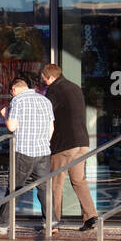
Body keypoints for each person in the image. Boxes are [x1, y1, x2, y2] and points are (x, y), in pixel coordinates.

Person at [0, 76, 54, 235]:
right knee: (44, 187)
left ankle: (2, 223)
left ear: (14, 89)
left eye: (11, 92)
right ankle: (51, 222)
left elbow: (11, 126)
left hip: (24, 150)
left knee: (14, 188)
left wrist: (5, 114)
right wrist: (43, 142)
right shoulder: (45, 100)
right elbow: (51, 128)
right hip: (43, 151)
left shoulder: (17, 101)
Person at [40, 63, 97, 231]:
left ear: (50, 77)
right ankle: (91, 216)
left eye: (44, 80)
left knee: (54, 183)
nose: (44, 83)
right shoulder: (75, 87)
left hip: (64, 144)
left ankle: (53, 222)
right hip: (81, 142)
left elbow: (46, 113)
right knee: (79, 181)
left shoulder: (54, 90)